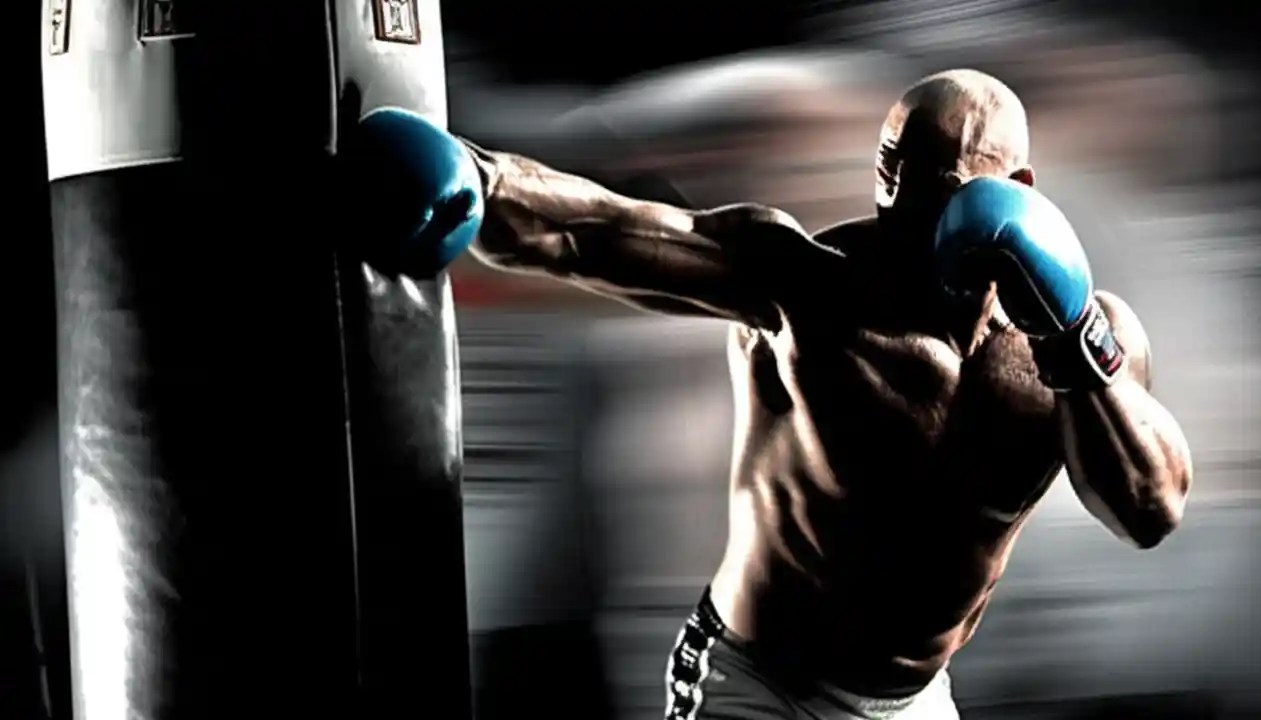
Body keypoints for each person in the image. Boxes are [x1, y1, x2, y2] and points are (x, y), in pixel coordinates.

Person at [369, 68, 1194, 719]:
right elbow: (604, 234)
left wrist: (1069, 340)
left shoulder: (1079, 341)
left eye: (941, 188)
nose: (901, 205)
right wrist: (478, 181)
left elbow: (1148, 510)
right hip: (758, 688)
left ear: (1018, 187)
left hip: (913, 703)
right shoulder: (809, 288)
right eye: (889, 171)